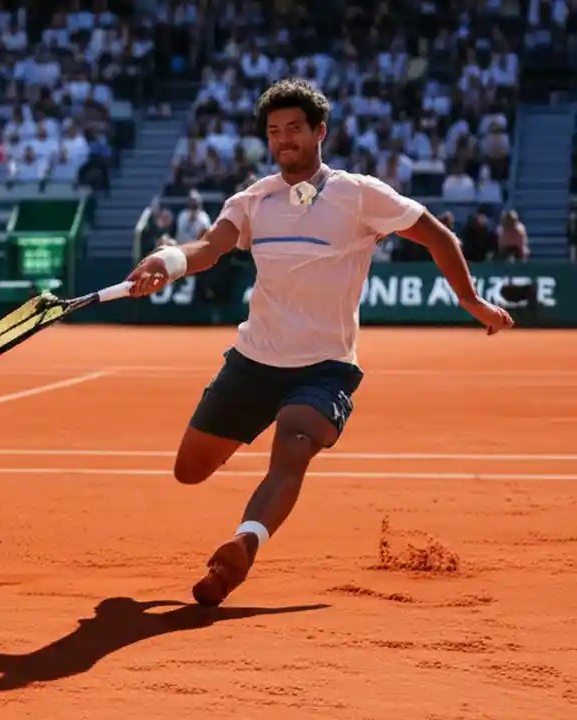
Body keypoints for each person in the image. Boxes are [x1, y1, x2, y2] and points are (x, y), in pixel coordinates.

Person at [123, 79, 514, 607]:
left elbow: (438, 237)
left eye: (294, 129)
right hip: (253, 362)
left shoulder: (361, 195)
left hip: (324, 368)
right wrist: (166, 261)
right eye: (274, 131)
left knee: (294, 449)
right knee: (188, 471)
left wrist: (471, 300)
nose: (284, 140)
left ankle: (242, 546)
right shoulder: (253, 200)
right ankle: (249, 432)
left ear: (319, 132)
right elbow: (208, 249)